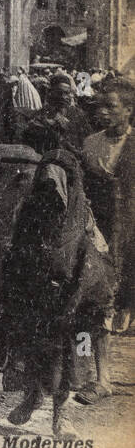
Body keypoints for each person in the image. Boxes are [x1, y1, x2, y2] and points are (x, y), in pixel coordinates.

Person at [3, 149, 113, 436]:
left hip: (69, 297)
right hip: (35, 294)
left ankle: (60, 416)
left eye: (57, 183)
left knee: (65, 357)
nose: (51, 190)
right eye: (46, 183)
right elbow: (16, 250)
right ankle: (32, 396)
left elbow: (95, 258)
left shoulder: (81, 214)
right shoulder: (30, 211)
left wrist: (82, 289)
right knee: (32, 349)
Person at [80, 77, 135, 352]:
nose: (103, 113)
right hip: (99, 229)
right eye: (100, 107)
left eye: (111, 107)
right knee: (96, 301)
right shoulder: (90, 144)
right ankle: (94, 373)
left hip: (130, 231)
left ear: (128, 110)